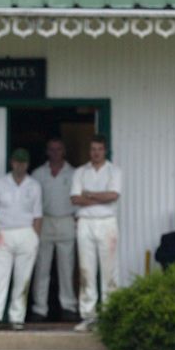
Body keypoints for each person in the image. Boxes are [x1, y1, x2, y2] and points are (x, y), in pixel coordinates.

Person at [0, 148, 43, 330]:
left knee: (22, 278)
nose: (20, 165)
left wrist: (35, 237)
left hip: (26, 232)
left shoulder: (34, 185)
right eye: (17, 162)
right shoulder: (0, 184)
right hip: (4, 233)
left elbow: (38, 215)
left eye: (23, 162)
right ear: (12, 163)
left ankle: (17, 317)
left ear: (27, 164)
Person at [71, 134, 122, 331]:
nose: (96, 153)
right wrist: (101, 198)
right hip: (85, 221)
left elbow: (114, 195)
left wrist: (89, 194)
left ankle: (109, 314)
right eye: (93, 149)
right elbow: (75, 199)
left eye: (99, 149)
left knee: (109, 269)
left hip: (107, 222)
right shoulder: (80, 172)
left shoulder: (114, 171)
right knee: (86, 269)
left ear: (105, 150)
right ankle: (89, 315)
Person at [30, 138, 78, 322]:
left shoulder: (73, 173)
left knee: (67, 267)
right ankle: (39, 308)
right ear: (47, 152)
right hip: (45, 220)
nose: (55, 152)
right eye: (52, 149)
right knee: (42, 266)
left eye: (59, 149)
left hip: (66, 219)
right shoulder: (38, 174)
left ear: (64, 151)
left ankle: (69, 306)